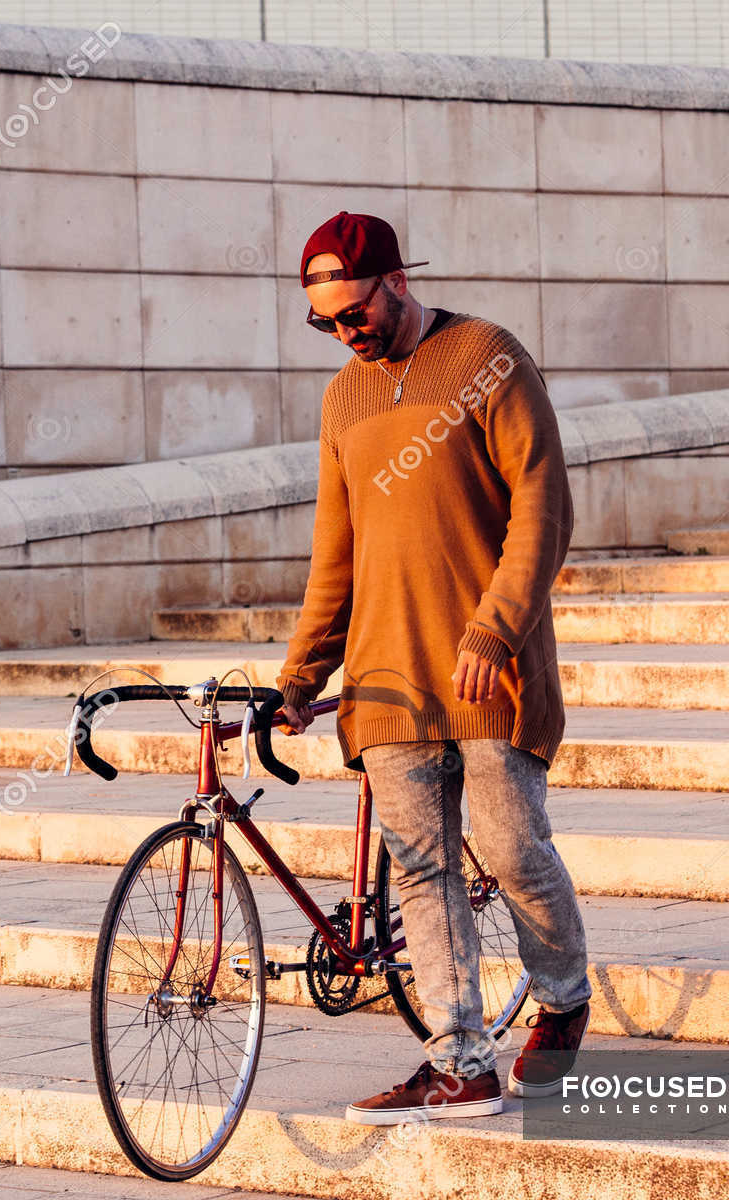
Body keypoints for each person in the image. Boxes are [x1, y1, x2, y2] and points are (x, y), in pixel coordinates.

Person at [274, 211, 591, 1124]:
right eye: (326, 324)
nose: (345, 333)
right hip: (388, 677)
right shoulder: (343, 401)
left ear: (397, 281)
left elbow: (543, 507)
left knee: (508, 846)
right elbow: (336, 550)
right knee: (418, 868)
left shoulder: (489, 357)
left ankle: (562, 999)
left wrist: (495, 633)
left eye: (354, 312)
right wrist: (301, 676)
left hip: (487, 669)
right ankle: (459, 1061)